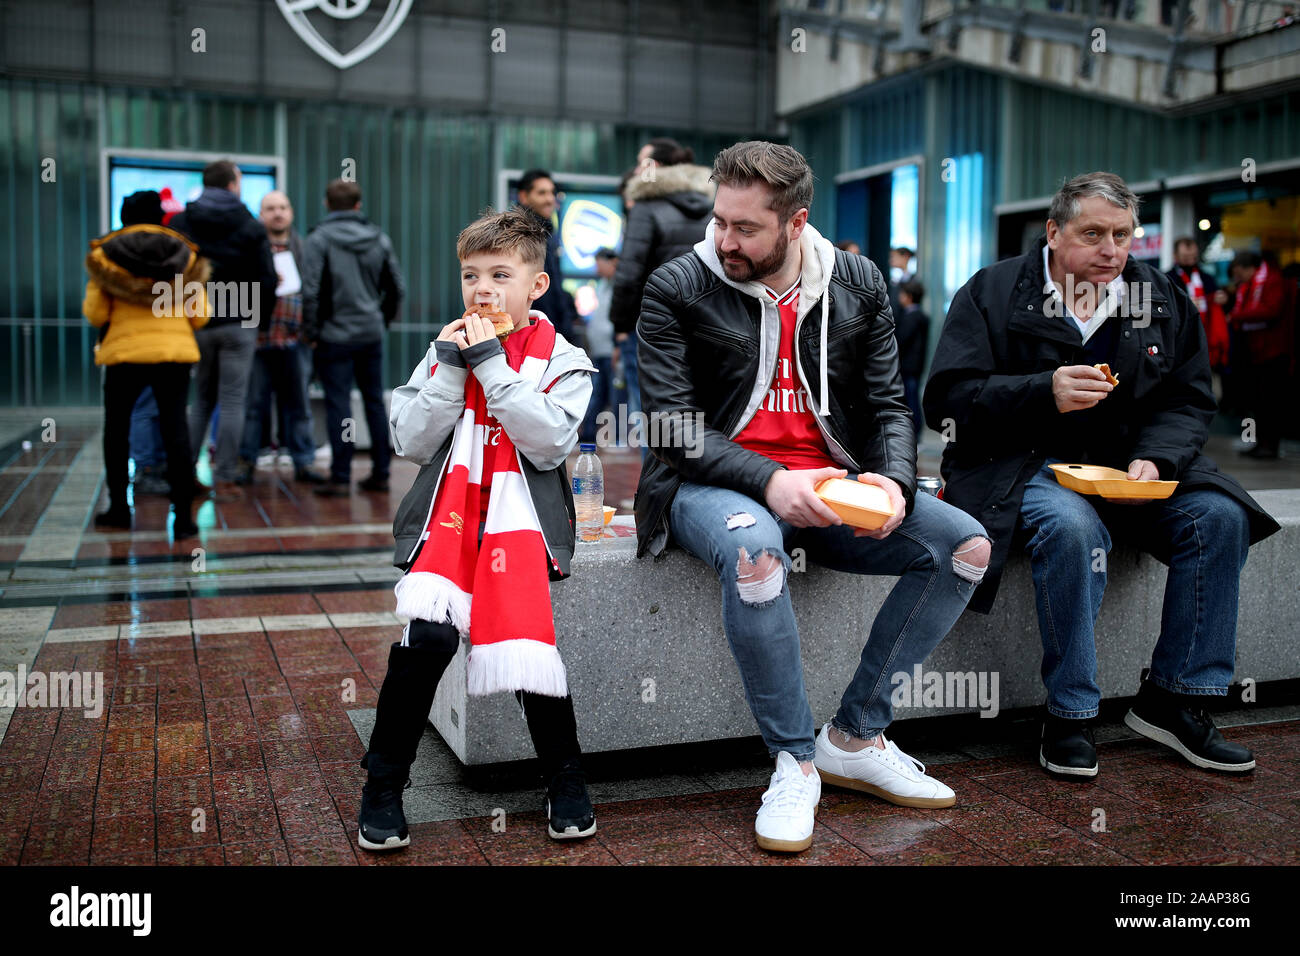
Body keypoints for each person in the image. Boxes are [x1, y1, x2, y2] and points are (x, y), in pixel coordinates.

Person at [635, 141, 990, 854]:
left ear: (796, 223)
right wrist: (769, 480)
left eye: (746, 228)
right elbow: (672, 426)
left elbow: (890, 403)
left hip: (834, 481)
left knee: (966, 547)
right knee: (757, 557)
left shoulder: (857, 283)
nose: (724, 240)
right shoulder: (678, 285)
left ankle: (855, 737)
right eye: (720, 220)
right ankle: (795, 762)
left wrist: (891, 477)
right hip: (711, 483)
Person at [924, 171, 1281, 780]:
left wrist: (1158, 459)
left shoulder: (1160, 296)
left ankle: (1177, 699)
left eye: (1122, 234)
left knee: (1220, 517)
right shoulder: (992, 290)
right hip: (1018, 466)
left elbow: (1189, 401)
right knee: (1071, 527)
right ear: (1054, 231)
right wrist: (1044, 392)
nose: (1111, 250)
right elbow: (948, 402)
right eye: (1093, 233)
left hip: (1126, 468)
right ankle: (1070, 714)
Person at [359, 208, 596, 850]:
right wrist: (453, 367)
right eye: (470, 276)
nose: (482, 290)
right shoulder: (444, 352)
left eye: (499, 274)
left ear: (535, 287)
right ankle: (383, 785)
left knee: (526, 649)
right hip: (448, 529)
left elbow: (547, 443)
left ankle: (566, 782)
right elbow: (409, 439)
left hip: (516, 534)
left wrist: (490, 363)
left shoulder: (565, 360)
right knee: (427, 642)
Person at [84, 190, 210, 538]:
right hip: (173, 354)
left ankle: (119, 510)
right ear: (161, 217)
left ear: (124, 217)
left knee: (117, 431)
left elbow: (95, 313)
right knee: (176, 431)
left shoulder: (106, 255)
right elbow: (199, 315)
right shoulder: (185, 254)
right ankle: (184, 518)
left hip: (124, 355)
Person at [169, 160, 278, 503]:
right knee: (233, 401)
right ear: (232, 184)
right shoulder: (249, 224)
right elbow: (267, 279)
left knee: (200, 400)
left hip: (198, 320)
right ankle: (226, 479)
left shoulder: (183, 222)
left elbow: (175, 272)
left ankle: (184, 476)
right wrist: (259, 321)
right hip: (239, 321)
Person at [301, 179, 405, 496]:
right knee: (374, 401)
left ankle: (340, 475)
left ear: (327, 204)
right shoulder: (379, 239)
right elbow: (396, 288)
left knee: (339, 403)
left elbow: (310, 292)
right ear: (358, 205)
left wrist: (312, 332)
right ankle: (381, 472)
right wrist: (381, 319)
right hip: (370, 332)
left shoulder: (318, 240)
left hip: (334, 335)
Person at [610, 139, 715, 435]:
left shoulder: (646, 207)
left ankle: (656, 481)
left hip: (650, 326)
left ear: (654, 168)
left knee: (651, 415)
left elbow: (628, 275)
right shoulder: (711, 207)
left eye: (641, 162)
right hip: (704, 324)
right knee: (695, 413)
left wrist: (619, 325)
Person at [237, 190, 327, 484]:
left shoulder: (305, 248)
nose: (277, 213)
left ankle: (303, 462)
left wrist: (311, 331)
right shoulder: (249, 248)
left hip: (295, 339)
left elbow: (317, 291)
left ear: (290, 213)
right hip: (257, 339)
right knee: (253, 405)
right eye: (270, 208)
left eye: (283, 207)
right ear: (261, 215)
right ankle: (246, 462)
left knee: (298, 404)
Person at [1224, 250, 1295, 459]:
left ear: (1250, 269)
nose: (1238, 279)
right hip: (1256, 350)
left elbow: (1271, 310)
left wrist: (1236, 316)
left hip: (1272, 350)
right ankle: (1258, 442)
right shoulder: (1249, 285)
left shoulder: (1272, 282)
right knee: (1257, 401)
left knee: (1270, 401)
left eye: (1239, 273)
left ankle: (1269, 445)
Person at [514, 169, 577, 340]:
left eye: (552, 193)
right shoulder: (519, 234)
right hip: (534, 331)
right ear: (524, 197)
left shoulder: (547, 232)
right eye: (542, 193)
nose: (550, 199)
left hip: (551, 329)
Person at [1166, 237, 1228, 371]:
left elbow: (1220, 299)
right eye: (1185, 256)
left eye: (1193, 256)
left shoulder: (1207, 277)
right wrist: (1184, 304)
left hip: (1206, 333)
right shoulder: (1167, 278)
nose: (1190, 260)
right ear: (1175, 256)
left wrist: (1221, 299)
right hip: (1181, 336)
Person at [580, 247, 618, 444]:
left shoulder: (618, 285)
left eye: (599, 263)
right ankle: (589, 435)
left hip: (612, 350)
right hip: (600, 349)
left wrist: (617, 346)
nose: (597, 268)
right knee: (598, 394)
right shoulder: (603, 284)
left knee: (616, 394)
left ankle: (617, 438)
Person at [894, 278, 930, 436]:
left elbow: (901, 340)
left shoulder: (911, 317)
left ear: (908, 296)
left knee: (911, 401)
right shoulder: (921, 315)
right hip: (915, 366)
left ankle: (914, 434)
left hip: (908, 366)